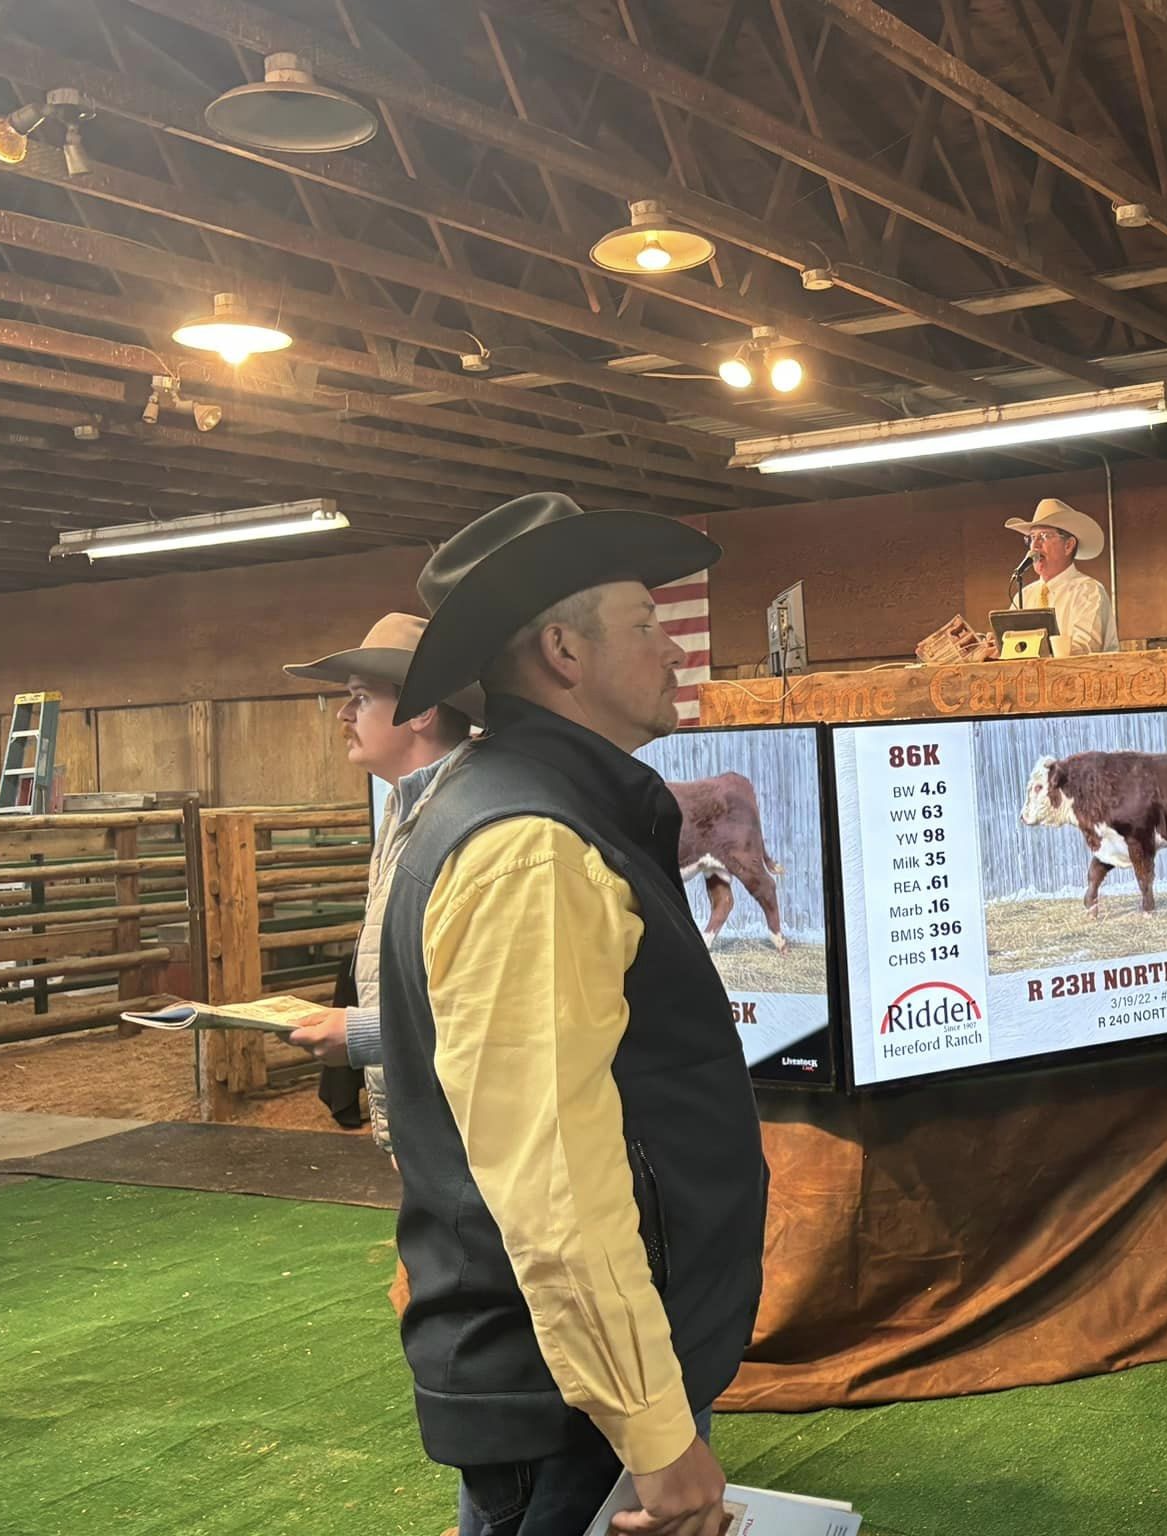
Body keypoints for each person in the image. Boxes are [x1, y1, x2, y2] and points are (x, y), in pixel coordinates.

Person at [378, 493, 769, 1536]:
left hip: (562, 1377)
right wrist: (652, 1428)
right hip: (566, 1402)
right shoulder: (531, 844)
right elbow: (552, 1169)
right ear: (563, 649)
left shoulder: (538, 811)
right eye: (647, 625)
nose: (676, 650)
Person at [279, 615, 480, 1152]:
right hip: (433, 1118)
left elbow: (490, 1005)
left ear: (421, 710)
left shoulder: (472, 818)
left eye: (362, 697)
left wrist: (363, 1034)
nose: (344, 714)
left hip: (469, 1132)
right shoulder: (403, 806)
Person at [1002, 497, 1118, 656]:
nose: (1034, 546)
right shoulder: (1024, 595)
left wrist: (1041, 649)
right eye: (1031, 538)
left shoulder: (1088, 591)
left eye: (1043, 536)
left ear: (1069, 545)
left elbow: (1086, 647)